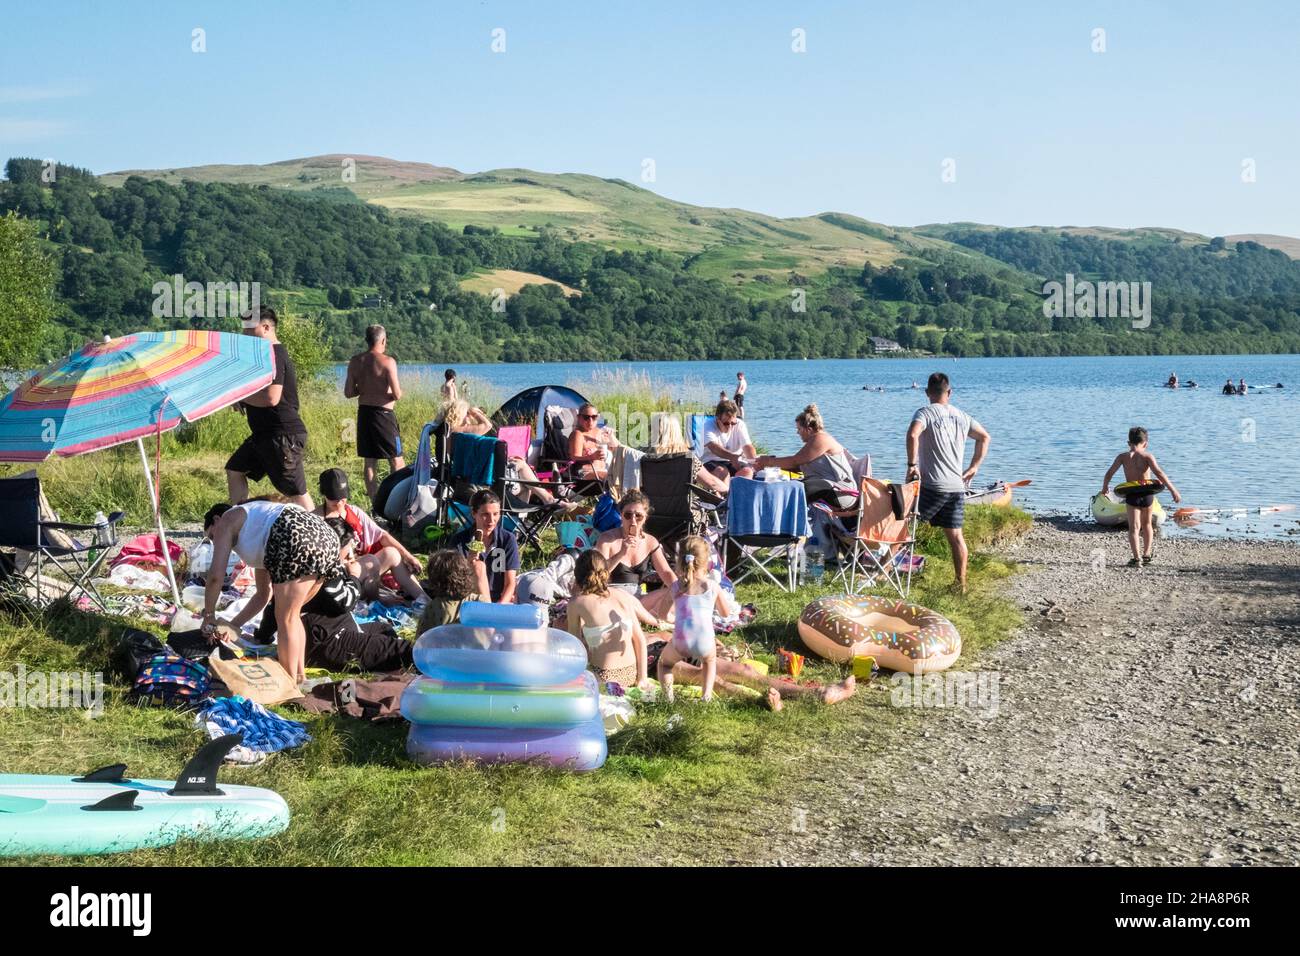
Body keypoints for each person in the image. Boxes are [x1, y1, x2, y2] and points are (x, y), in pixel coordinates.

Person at [199, 499, 343, 683]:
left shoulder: (227, 520)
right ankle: (299, 679)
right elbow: (262, 595)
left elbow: (215, 576)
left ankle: (289, 683)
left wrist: (209, 615)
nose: (216, 542)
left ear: (216, 520)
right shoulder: (258, 526)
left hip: (297, 532)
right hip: (326, 537)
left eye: (212, 536)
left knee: (286, 618)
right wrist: (232, 626)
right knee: (292, 616)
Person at [905, 372, 991, 594]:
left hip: (932, 486)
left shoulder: (925, 412)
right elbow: (984, 437)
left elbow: (913, 434)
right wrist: (974, 467)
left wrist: (912, 465)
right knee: (955, 537)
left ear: (927, 393)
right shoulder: (962, 416)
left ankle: (883, 570)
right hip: (956, 487)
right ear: (949, 392)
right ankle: (960, 584)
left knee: (903, 526)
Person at [225, 306, 312, 509]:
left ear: (265, 327)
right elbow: (259, 393)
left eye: (249, 329)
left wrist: (242, 397)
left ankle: (321, 533)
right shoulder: (265, 355)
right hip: (265, 434)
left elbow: (272, 398)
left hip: (282, 434)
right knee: (235, 469)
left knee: (294, 491)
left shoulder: (275, 353)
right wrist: (242, 397)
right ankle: (241, 521)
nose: (244, 335)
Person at [315, 468, 428, 604]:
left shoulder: (353, 512)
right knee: (371, 562)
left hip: (360, 568)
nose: (339, 503)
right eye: (334, 500)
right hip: (335, 577)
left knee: (391, 553)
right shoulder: (316, 521)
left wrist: (407, 556)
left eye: (343, 499)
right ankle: (377, 598)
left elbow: (382, 536)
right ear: (324, 495)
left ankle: (424, 600)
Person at [565, 551, 657, 689]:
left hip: (604, 677)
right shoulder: (622, 595)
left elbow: (575, 647)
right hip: (631, 674)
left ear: (577, 575)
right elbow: (640, 639)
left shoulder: (576, 603)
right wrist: (642, 678)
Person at [656, 536, 725, 702]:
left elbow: (662, 614)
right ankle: (706, 696)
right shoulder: (712, 586)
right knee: (709, 661)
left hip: (681, 640)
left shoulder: (675, 587)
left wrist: (674, 619)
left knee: (664, 664)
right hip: (705, 641)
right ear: (707, 561)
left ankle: (668, 699)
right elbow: (725, 613)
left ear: (679, 561)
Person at [1101, 426, 1182, 567]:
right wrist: (1173, 490)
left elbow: (1109, 473)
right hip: (1147, 495)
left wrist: (1105, 488)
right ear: (1146, 443)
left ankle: (1136, 558)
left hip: (1131, 495)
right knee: (1147, 525)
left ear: (1128, 443)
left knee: (1134, 528)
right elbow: (1160, 474)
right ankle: (1147, 554)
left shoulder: (1123, 457)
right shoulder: (1147, 456)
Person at [593, 490, 676, 620]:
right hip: (611, 594)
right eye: (628, 515)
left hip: (637, 599)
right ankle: (651, 618)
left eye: (638, 516)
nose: (633, 520)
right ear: (621, 515)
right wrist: (621, 553)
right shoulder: (607, 538)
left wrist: (680, 589)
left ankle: (645, 615)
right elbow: (597, 575)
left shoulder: (650, 541)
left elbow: (665, 572)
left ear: (645, 517)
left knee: (673, 591)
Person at [344, 325, 405, 499]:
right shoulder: (388, 362)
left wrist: (365, 390)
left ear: (367, 340)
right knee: (396, 459)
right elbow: (397, 394)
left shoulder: (356, 361)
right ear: (383, 340)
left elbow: (348, 393)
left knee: (370, 462)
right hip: (384, 416)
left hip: (365, 414)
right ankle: (398, 500)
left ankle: (374, 504)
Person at [447, 489, 519, 603]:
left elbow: (510, 583)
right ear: (474, 514)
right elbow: (454, 582)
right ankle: (487, 610)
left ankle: (490, 611)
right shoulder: (459, 541)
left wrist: (500, 606)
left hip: (500, 601)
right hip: (470, 599)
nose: (491, 520)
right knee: (478, 566)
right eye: (485, 514)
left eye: (495, 514)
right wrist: (468, 563)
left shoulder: (507, 539)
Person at [650, 414, 729, 496]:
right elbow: (711, 482)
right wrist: (729, 490)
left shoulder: (642, 457)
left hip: (647, 507)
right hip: (677, 507)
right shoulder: (688, 459)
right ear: (677, 432)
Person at [418, 550, 486, 631]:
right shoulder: (478, 600)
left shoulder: (433, 608)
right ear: (466, 573)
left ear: (435, 581)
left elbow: (421, 639)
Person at [701, 399, 757, 480]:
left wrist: (754, 461)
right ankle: (724, 492)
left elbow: (747, 446)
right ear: (717, 419)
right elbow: (714, 447)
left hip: (735, 461)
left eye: (733, 423)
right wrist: (732, 457)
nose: (730, 427)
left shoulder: (740, 424)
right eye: (726, 423)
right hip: (712, 460)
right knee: (722, 472)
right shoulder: (707, 425)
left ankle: (738, 491)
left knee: (748, 471)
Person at [568, 402, 617, 481]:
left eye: (594, 417)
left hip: (603, 470)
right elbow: (573, 457)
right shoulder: (578, 434)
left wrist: (611, 437)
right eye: (586, 417)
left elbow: (615, 450)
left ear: (598, 417)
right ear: (579, 417)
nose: (590, 421)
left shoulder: (599, 431)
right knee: (614, 477)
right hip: (585, 473)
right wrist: (592, 456)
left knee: (622, 474)